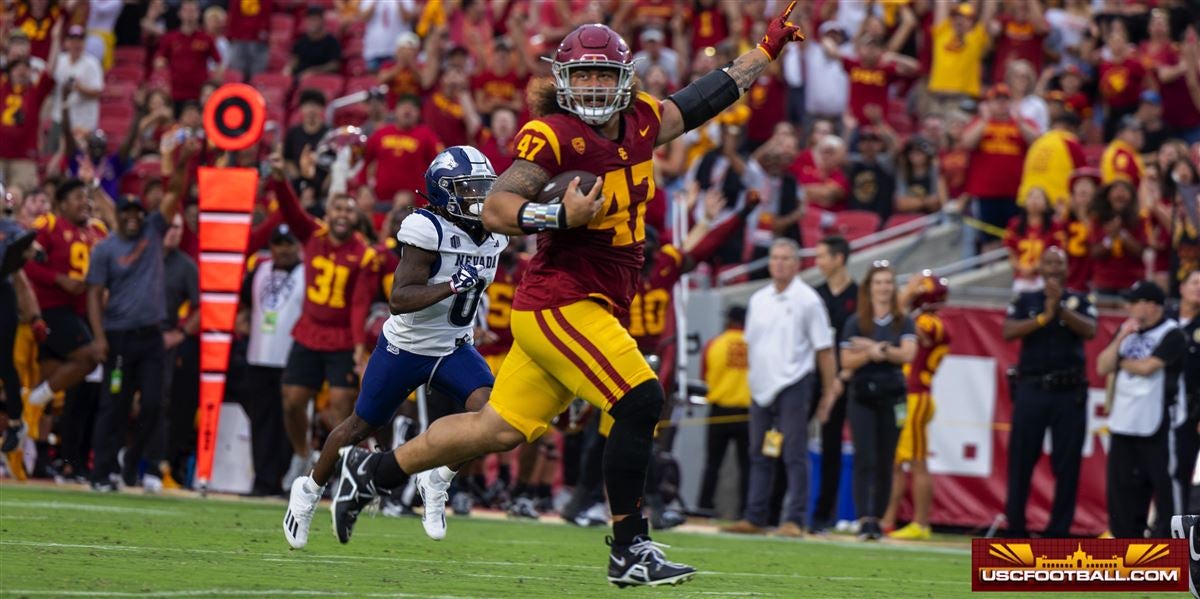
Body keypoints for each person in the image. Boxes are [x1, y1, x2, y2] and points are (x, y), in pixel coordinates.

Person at [327, 11, 807, 587]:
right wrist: (555, 213)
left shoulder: (645, 119)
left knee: (496, 429)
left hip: (590, 303)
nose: (596, 88)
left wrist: (767, 49)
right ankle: (630, 548)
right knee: (638, 400)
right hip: (560, 300)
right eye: (584, 77)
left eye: (605, 77)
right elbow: (495, 207)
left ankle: (371, 471)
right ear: (564, 80)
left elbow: (710, 94)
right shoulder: (553, 133)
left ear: (624, 79)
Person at [284, 146, 507, 549]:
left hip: (454, 346)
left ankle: (436, 480)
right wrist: (452, 283)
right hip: (406, 347)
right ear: (442, 193)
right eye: (468, 189)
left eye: (482, 188)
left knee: (491, 419)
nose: (479, 197)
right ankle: (308, 490)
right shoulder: (426, 229)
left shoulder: (497, 233)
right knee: (358, 426)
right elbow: (400, 298)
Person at [255, 153, 381, 490]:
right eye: (337, 209)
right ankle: (300, 454)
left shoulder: (365, 254)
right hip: (309, 331)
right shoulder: (312, 235)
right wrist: (280, 179)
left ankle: (339, 471)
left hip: (340, 338)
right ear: (327, 214)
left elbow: (358, 304)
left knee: (342, 408)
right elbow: (292, 210)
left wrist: (358, 347)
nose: (342, 215)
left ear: (355, 218)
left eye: (348, 210)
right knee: (293, 401)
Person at [722, 238, 839, 538]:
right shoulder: (759, 299)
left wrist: (829, 391)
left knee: (794, 453)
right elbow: (752, 346)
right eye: (775, 257)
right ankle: (755, 516)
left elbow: (824, 350)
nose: (780, 263)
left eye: (786, 258)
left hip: (794, 383)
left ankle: (795, 519)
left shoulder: (808, 300)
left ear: (798, 263)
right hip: (761, 385)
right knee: (759, 453)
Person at [85, 147, 186, 492]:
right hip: (118, 338)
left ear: (143, 216)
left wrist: (181, 160)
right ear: (117, 216)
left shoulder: (153, 232)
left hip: (151, 337)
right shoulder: (105, 250)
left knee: (156, 404)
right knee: (114, 405)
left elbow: (174, 193)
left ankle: (133, 460)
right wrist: (99, 338)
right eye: (125, 212)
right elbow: (93, 297)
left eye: (136, 212)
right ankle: (102, 471)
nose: (131, 217)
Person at [1003, 246, 1096, 537]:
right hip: (1032, 388)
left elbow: (1090, 330)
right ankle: (1015, 529)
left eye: (1060, 262)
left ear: (1067, 269)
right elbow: (1008, 331)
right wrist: (1043, 317)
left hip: (1068, 392)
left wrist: (1061, 310)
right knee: (1021, 460)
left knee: (1067, 465)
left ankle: (1058, 532)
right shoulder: (1026, 299)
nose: (1054, 267)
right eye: (1049, 262)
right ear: (1040, 268)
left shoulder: (1080, 300)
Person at [1098, 280, 1186, 537]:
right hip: (1123, 420)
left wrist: (1120, 362)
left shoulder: (1172, 333)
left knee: (1163, 486)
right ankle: (1126, 544)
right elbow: (1102, 366)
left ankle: (1171, 545)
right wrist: (1122, 337)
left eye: (1135, 302)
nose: (1129, 307)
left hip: (1157, 421)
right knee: (1122, 490)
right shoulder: (1127, 331)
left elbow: (1149, 367)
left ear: (1152, 306)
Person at [838, 261, 917, 540]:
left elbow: (907, 355)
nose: (883, 288)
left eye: (887, 282)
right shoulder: (856, 321)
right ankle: (864, 518)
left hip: (892, 395)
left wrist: (874, 347)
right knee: (865, 458)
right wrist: (878, 353)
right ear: (869, 288)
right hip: (863, 394)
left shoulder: (903, 321)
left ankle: (879, 520)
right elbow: (846, 360)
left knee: (887, 460)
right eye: (878, 282)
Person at [22, 180, 107, 415]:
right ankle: (33, 402)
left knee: (50, 373)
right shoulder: (49, 225)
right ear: (62, 204)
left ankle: (25, 425)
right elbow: (26, 263)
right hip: (53, 307)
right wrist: (59, 279)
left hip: (85, 312)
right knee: (90, 357)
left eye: (87, 197)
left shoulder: (98, 230)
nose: (85, 203)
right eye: (78, 197)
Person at [237, 224, 303, 497]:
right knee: (261, 421)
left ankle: (286, 480)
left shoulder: (307, 272)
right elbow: (243, 305)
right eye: (278, 243)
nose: (284, 249)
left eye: (289, 243)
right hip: (259, 356)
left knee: (290, 422)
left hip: (292, 357)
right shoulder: (259, 270)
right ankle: (263, 481)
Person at [882, 272, 950, 540]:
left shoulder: (929, 321)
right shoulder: (926, 319)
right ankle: (888, 519)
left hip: (918, 397)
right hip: (907, 396)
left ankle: (921, 523)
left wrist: (907, 294)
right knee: (899, 461)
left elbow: (897, 318)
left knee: (918, 461)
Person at [809, 235, 857, 534]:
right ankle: (782, 512)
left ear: (839, 258)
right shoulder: (814, 295)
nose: (818, 262)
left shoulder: (858, 295)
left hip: (843, 379)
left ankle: (822, 515)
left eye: (823, 256)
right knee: (789, 442)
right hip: (809, 376)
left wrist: (839, 379)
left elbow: (858, 341)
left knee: (831, 445)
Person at [697, 305, 750, 516]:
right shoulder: (756, 345)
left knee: (712, 464)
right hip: (747, 413)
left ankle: (704, 507)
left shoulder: (714, 344)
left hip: (718, 411)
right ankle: (746, 511)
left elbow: (704, 377)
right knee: (747, 466)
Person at [1170, 270, 1200, 512]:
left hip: (1191, 411)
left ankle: (1182, 534)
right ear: (1181, 287)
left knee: (1185, 470)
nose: (1199, 288)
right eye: (1195, 282)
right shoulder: (1165, 319)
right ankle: (1159, 527)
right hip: (1158, 409)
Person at [1004, 187, 1059, 292]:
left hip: (1044, 278)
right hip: (1021, 278)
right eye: (1031, 197)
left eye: (1038, 197)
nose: (1034, 201)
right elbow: (1011, 252)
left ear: (1046, 204)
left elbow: (1055, 253)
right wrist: (1021, 268)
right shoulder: (1014, 224)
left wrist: (1034, 267)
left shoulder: (1054, 226)